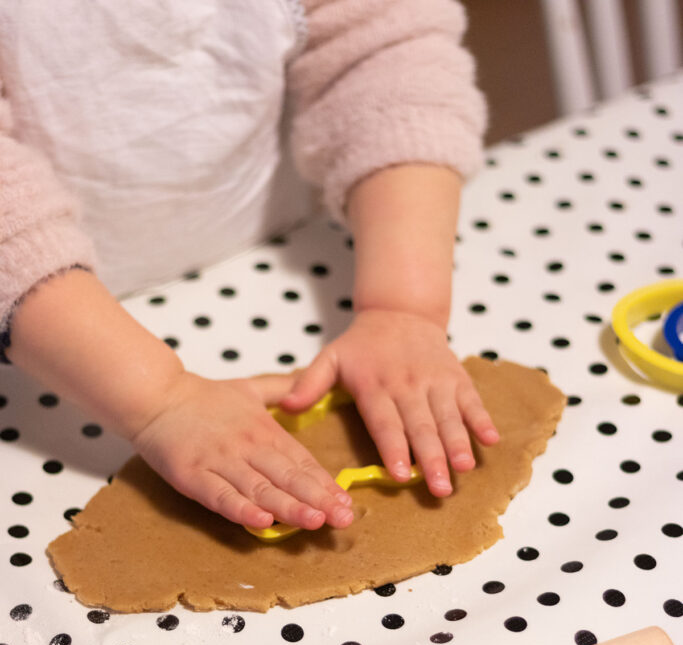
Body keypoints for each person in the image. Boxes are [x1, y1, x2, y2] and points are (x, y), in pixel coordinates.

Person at [0, 0, 499, 534]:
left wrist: (403, 306)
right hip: (54, 335)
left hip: (268, 253)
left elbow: (386, 52)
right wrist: (160, 401)